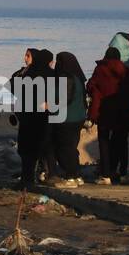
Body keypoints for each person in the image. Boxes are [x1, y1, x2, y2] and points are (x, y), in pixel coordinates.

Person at [86, 46, 129, 185]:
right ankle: (123, 172)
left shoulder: (101, 69)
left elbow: (91, 85)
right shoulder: (126, 70)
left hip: (105, 110)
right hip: (123, 111)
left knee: (104, 141)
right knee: (122, 142)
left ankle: (106, 175)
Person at [13, 49, 54, 185]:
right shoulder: (51, 75)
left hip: (27, 119)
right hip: (42, 119)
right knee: (41, 149)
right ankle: (44, 175)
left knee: (27, 152)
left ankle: (27, 179)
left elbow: (15, 89)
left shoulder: (27, 74)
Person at [49, 52, 87, 186]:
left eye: (58, 61)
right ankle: (76, 175)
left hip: (66, 119)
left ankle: (71, 177)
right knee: (71, 147)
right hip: (78, 117)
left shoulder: (65, 78)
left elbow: (62, 98)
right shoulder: (78, 78)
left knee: (64, 148)